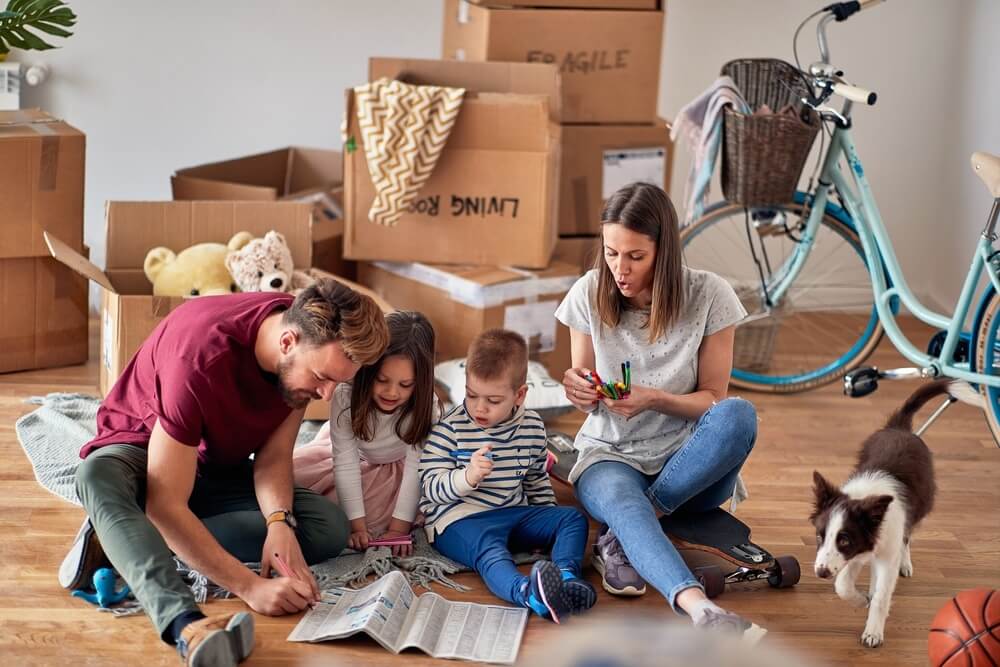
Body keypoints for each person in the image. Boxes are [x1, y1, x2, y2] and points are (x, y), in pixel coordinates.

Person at [58, 279, 389, 666]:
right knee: (96, 479)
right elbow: (164, 502)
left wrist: (279, 523)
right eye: (321, 378)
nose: (327, 395)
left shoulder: (305, 335)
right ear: (287, 343)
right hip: (141, 452)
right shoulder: (198, 360)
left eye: (338, 382)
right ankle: (186, 625)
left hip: (213, 463)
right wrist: (249, 586)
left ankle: (129, 537)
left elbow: (273, 456)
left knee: (327, 526)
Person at [555, 182, 765, 639]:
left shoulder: (710, 295)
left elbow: (713, 398)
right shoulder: (591, 290)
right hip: (609, 455)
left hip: (689, 467)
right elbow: (581, 380)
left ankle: (624, 536)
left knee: (739, 415)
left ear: (664, 250)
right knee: (625, 502)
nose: (620, 270)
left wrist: (654, 398)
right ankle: (700, 609)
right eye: (611, 253)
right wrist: (577, 386)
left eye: (635, 256)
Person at [418, 329, 596, 623]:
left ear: (520, 395)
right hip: (458, 519)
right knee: (490, 552)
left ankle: (565, 578)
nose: (479, 407)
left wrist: (544, 525)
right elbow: (429, 488)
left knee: (572, 519)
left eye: (493, 399)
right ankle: (528, 593)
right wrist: (466, 477)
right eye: (471, 394)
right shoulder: (450, 427)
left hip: (512, 511)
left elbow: (536, 478)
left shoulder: (533, 427)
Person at [293, 311, 439, 558]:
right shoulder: (345, 395)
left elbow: (417, 467)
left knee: (380, 512)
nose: (392, 392)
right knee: (292, 481)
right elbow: (346, 463)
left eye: (406, 385)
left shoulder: (427, 406)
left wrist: (397, 529)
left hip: (398, 469)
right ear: (368, 371)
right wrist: (356, 527)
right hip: (351, 456)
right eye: (382, 380)